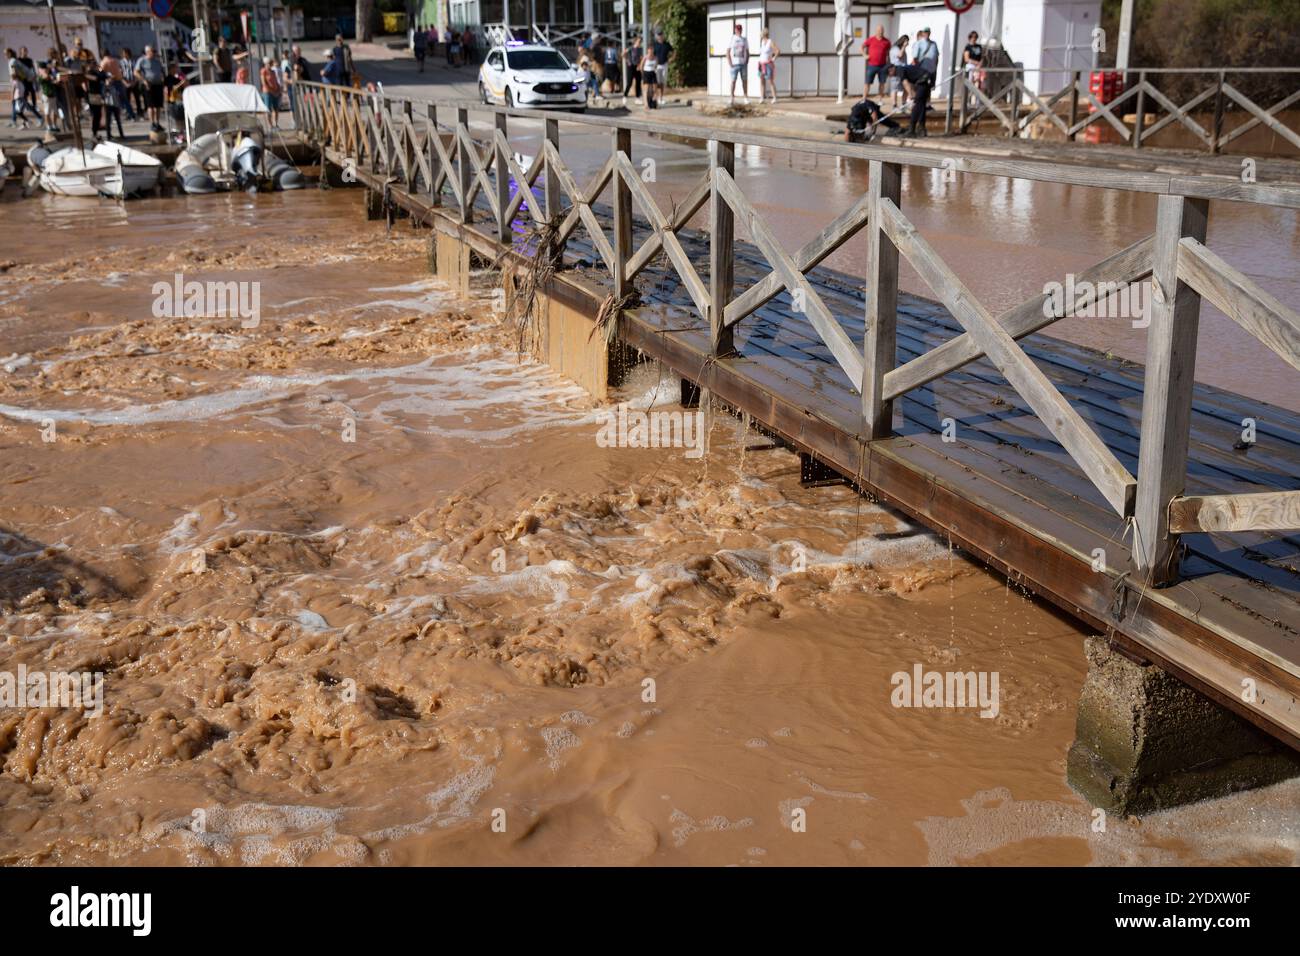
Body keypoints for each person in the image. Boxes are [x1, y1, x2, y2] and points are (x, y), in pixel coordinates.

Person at [889, 61, 932, 136]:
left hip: (924, 79)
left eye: (889, 74)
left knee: (916, 105)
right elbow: (911, 80)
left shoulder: (899, 70)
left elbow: (905, 83)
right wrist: (913, 93)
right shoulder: (902, 69)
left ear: (891, 69)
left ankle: (912, 130)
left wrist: (911, 95)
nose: (890, 76)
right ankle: (922, 129)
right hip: (924, 79)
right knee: (921, 105)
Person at [7, 48, 41, 128]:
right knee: (19, 103)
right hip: (21, 82)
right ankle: (18, 120)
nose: (25, 52)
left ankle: (37, 117)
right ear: (20, 52)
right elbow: (17, 71)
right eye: (23, 51)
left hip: (24, 82)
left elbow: (30, 70)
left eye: (26, 51)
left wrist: (33, 78)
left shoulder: (27, 60)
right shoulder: (18, 60)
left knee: (21, 102)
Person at [134, 45, 165, 131]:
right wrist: (144, 80)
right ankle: (152, 123)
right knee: (150, 106)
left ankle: (157, 122)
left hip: (158, 84)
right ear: (147, 52)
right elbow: (136, 72)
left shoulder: (157, 61)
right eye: (152, 51)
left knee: (158, 106)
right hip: (148, 85)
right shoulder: (142, 60)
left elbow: (161, 71)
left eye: (154, 51)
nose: (154, 53)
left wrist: (162, 78)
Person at [861, 24, 890, 99]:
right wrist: (864, 55)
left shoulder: (887, 42)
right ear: (876, 31)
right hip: (872, 65)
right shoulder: (871, 39)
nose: (880, 32)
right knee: (867, 83)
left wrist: (889, 64)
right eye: (879, 30)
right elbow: (861, 47)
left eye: (882, 30)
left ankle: (880, 100)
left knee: (882, 83)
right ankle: (864, 99)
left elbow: (889, 53)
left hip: (883, 66)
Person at [726, 23, 749, 105]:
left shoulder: (744, 39)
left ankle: (745, 97)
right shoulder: (732, 38)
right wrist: (730, 62)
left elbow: (747, 51)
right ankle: (732, 97)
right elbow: (728, 51)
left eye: (740, 29)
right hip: (734, 64)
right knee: (733, 81)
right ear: (735, 30)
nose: (739, 30)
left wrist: (746, 61)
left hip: (743, 64)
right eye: (737, 29)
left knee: (744, 81)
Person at [756, 28, 779, 104]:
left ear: (764, 34)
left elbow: (777, 51)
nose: (760, 35)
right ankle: (762, 98)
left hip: (768, 64)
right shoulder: (762, 42)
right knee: (761, 80)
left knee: (770, 81)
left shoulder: (770, 42)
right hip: (761, 63)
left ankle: (775, 97)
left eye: (761, 34)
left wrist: (773, 59)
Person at [889, 35, 908, 108]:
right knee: (895, 88)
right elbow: (900, 55)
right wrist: (903, 47)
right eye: (906, 41)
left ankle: (904, 104)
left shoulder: (901, 49)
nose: (907, 43)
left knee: (906, 87)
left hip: (903, 70)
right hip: (896, 70)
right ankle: (894, 105)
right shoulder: (895, 48)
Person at [259, 60, 281, 124]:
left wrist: (278, 89)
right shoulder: (263, 71)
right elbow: (264, 83)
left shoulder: (273, 71)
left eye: (270, 63)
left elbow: (276, 81)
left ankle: (276, 124)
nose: (269, 65)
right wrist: (272, 91)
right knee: (268, 109)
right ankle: (270, 125)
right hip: (267, 92)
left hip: (275, 91)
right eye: (268, 63)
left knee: (276, 109)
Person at [639, 42, 659, 109]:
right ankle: (646, 104)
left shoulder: (655, 57)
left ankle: (654, 101)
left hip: (653, 73)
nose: (650, 51)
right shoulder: (645, 57)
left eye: (652, 49)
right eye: (649, 49)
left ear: (653, 50)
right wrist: (643, 74)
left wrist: (655, 70)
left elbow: (656, 66)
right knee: (646, 89)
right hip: (646, 73)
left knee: (655, 88)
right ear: (647, 50)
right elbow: (641, 66)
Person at [624, 35, 642, 100]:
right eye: (639, 41)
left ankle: (638, 98)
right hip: (631, 66)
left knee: (638, 82)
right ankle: (625, 95)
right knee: (629, 83)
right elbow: (623, 54)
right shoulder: (631, 48)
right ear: (635, 41)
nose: (640, 42)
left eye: (640, 41)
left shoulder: (640, 49)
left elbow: (641, 58)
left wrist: (640, 65)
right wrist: (627, 61)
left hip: (637, 66)